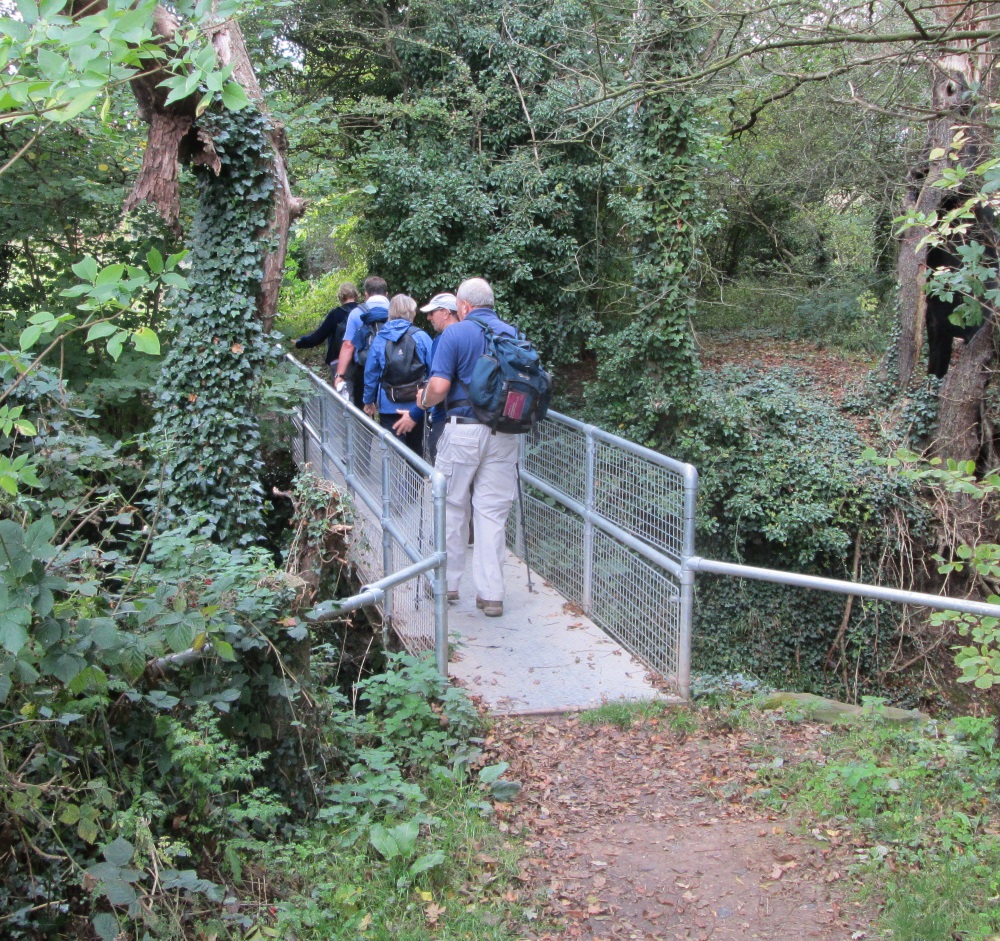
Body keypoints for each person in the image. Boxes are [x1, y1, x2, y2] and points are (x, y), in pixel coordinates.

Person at [417, 277, 518, 617]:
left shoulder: (455, 334)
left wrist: (423, 400)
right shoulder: (511, 333)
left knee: (451, 506)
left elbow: (439, 387)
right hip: (504, 432)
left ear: (463, 306)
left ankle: (447, 585)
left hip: (463, 431)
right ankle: (492, 595)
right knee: (492, 513)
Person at [391, 293, 459, 463]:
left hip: (445, 421)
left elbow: (437, 385)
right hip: (472, 421)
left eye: (432, 312)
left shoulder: (443, 340)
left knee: (443, 475)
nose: (429, 317)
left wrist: (416, 412)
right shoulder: (473, 336)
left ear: (446, 313)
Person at [362, 294, 433, 455]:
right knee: (415, 451)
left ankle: (394, 473)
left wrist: (368, 401)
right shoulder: (420, 336)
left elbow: (371, 373)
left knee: (392, 455)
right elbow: (434, 369)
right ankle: (414, 472)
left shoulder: (380, 338)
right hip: (416, 405)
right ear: (411, 312)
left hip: (389, 404)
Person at [333, 276, 390, 410]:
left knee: (363, 410)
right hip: (391, 366)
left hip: (363, 368)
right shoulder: (396, 310)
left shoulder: (356, 313)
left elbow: (348, 345)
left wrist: (339, 375)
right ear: (386, 294)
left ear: (366, 294)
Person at [293, 282, 358, 382]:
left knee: (341, 391)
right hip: (361, 362)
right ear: (355, 294)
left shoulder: (335, 314)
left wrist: (299, 343)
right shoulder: (364, 312)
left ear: (340, 296)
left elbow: (317, 337)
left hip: (339, 361)